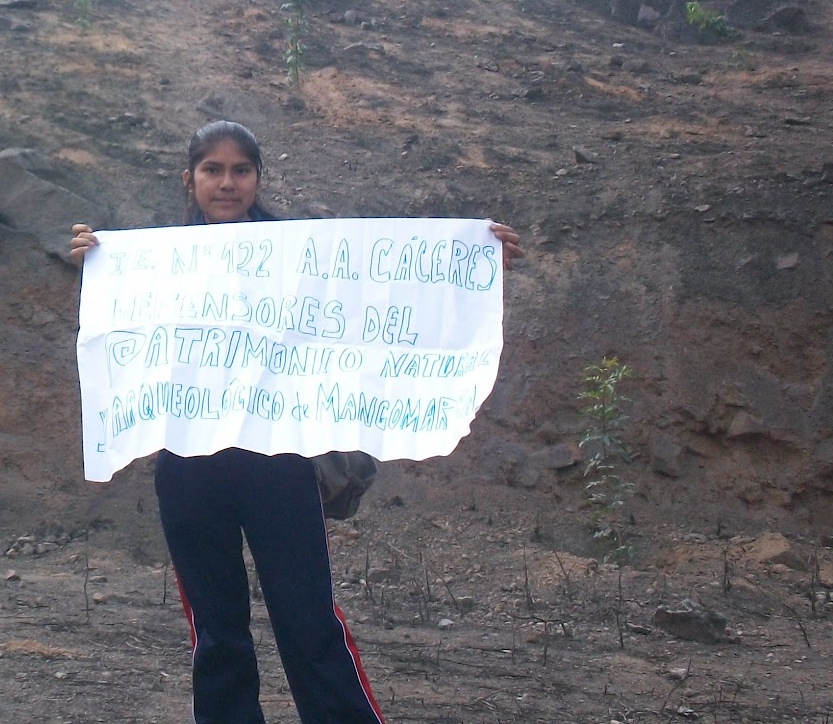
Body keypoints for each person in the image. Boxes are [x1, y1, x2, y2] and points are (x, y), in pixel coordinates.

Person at [70, 120, 524, 724]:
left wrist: (477, 258)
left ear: (258, 179)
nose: (227, 183)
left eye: (240, 170)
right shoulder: (151, 260)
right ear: (190, 179)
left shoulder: (306, 256)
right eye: (213, 170)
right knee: (215, 630)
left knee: (308, 618)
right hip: (188, 469)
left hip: (277, 465)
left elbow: (384, 296)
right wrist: (95, 262)